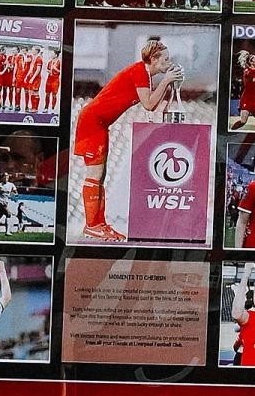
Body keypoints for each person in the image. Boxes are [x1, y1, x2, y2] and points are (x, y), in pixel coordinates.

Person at [73, 35, 184, 243]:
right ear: (153, 59)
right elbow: (149, 104)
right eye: (166, 59)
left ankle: (99, 224)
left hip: (99, 122)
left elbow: (154, 103)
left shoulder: (145, 75)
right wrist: (167, 80)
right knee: (95, 175)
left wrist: (168, 84)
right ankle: (91, 226)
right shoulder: (139, 71)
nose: (169, 63)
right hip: (92, 121)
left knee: (101, 176)